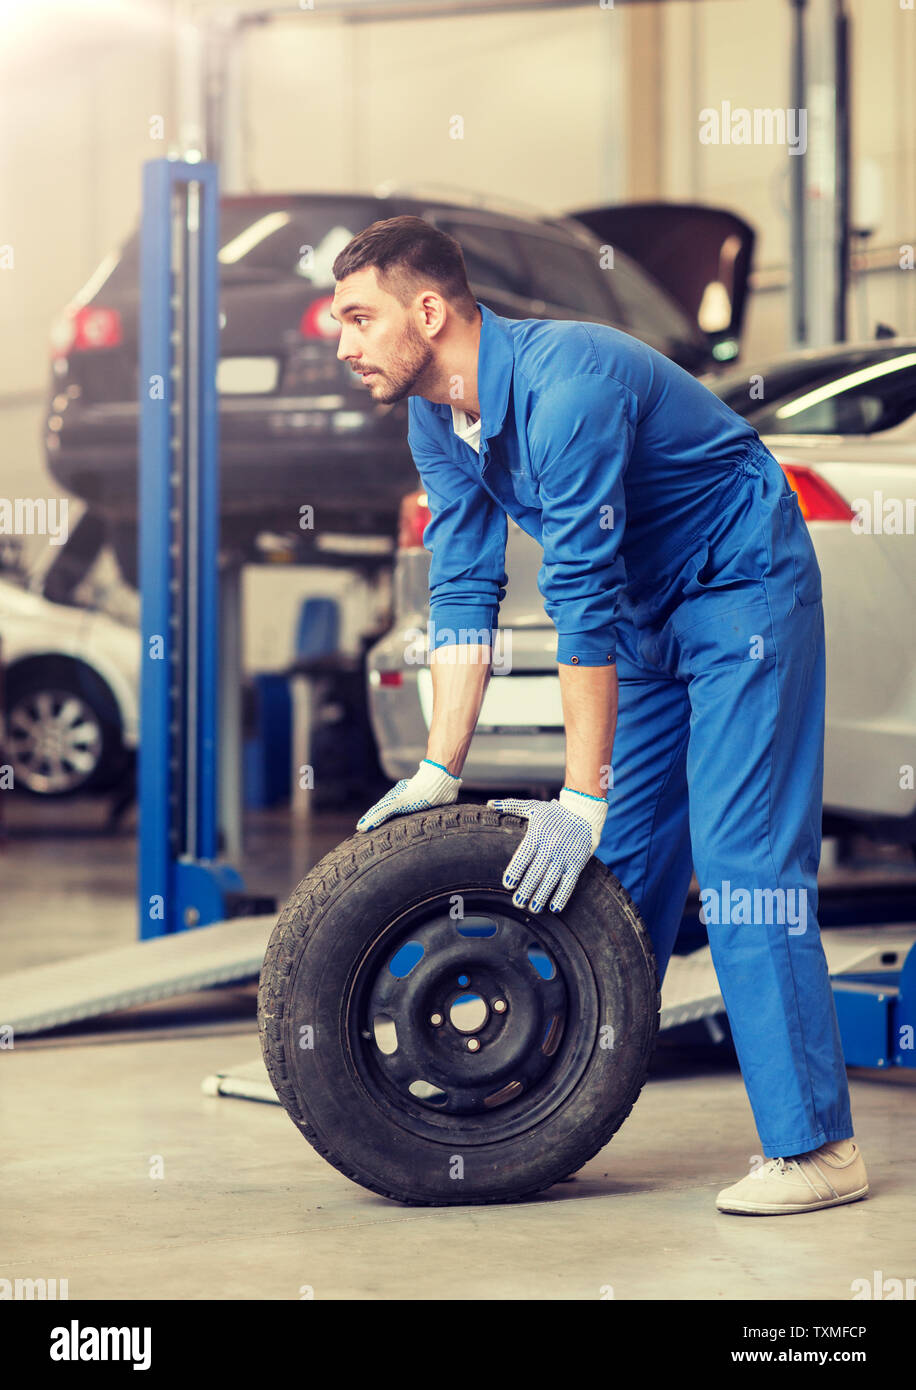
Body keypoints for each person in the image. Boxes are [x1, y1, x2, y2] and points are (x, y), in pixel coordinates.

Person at [330, 214, 867, 1216]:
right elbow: (462, 591)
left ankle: (818, 1147)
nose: (343, 341)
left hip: (740, 586)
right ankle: (557, 1109)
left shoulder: (568, 385)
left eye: (360, 317)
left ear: (430, 310)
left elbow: (574, 597)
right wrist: (441, 765)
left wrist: (579, 788)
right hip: (643, 610)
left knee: (743, 857)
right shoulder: (437, 415)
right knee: (621, 867)